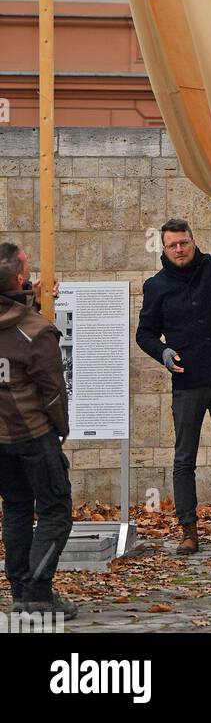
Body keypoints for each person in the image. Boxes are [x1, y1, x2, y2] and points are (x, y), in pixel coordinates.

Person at [136, 216, 211, 554]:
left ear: (193, 241)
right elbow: (144, 334)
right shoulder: (156, 286)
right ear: (164, 248)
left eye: (184, 242)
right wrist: (162, 352)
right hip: (187, 382)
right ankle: (188, 532)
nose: (179, 249)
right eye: (173, 245)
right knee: (184, 459)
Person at [0, 240, 76, 618]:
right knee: (55, 510)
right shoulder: (36, 331)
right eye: (27, 267)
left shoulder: (27, 320)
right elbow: (52, 391)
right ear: (18, 276)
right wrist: (60, 429)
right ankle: (38, 592)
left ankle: (20, 591)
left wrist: (33, 295)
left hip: (1, 439)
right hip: (33, 434)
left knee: (15, 508)